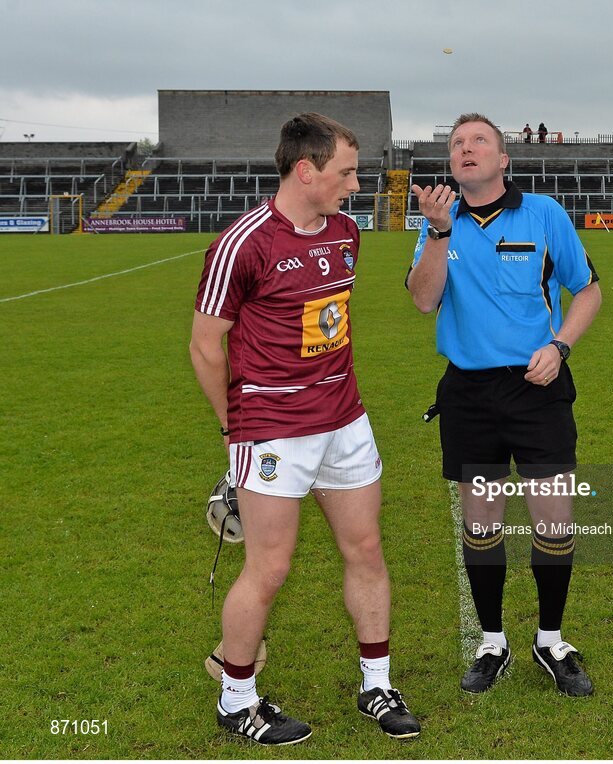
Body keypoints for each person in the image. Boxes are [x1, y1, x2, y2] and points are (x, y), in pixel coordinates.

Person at [190, 112, 420, 745]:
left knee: (367, 550)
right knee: (269, 568)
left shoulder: (346, 231)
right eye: (346, 172)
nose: (355, 184)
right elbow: (207, 346)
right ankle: (237, 699)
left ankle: (377, 684)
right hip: (272, 431)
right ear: (306, 170)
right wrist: (235, 430)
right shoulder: (244, 243)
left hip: (345, 420)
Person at [406, 113, 602, 697]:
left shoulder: (544, 214)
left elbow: (587, 288)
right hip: (469, 394)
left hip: (538, 390)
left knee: (555, 518)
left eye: (479, 142)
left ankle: (550, 639)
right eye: (457, 144)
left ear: (503, 159)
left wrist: (561, 345)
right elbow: (423, 301)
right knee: (483, 520)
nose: (466, 150)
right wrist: (438, 233)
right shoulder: (438, 222)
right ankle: (492, 641)